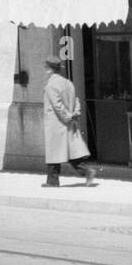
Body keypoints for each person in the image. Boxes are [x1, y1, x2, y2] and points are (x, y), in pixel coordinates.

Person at [42, 58, 97, 189]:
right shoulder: (68, 83)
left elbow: (57, 105)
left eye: (46, 67)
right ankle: (85, 171)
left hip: (56, 122)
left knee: (53, 152)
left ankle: (53, 181)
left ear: (49, 69)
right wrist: (74, 115)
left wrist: (67, 117)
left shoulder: (51, 85)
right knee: (69, 151)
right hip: (68, 122)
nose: (45, 70)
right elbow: (76, 100)